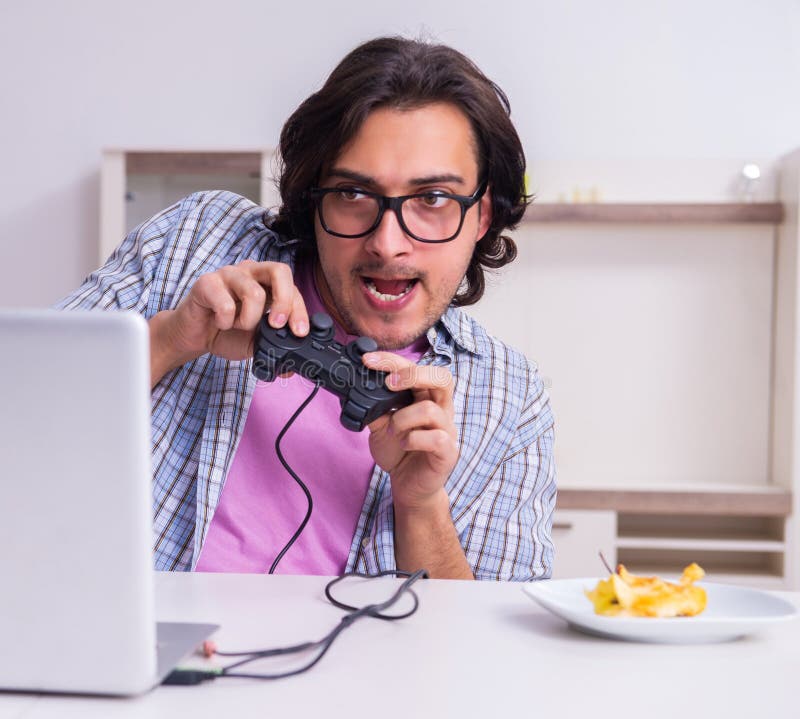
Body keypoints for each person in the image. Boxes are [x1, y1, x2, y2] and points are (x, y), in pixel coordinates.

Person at [58, 37, 556, 580]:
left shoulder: (512, 400)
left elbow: (484, 654)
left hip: (354, 668)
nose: (387, 244)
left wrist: (421, 505)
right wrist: (170, 339)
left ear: (481, 217)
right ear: (311, 199)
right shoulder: (195, 242)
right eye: (352, 193)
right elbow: (22, 411)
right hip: (132, 655)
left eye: (433, 199)